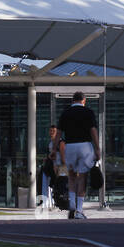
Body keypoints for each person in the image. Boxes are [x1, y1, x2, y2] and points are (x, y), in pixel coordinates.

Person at [57, 92, 100, 220]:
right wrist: (97, 148)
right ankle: (79, 210)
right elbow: (93, 131)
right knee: (82, 178)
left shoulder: (65, 113)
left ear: (72, 100)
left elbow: (59, 133)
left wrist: (54, 148)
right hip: (85, 146)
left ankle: (71, 205)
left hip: (70, 146)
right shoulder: (88, 112)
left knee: (71, 177)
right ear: (84, 100)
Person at [40, 124, 61, 208]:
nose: (52, 132)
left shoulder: (59, 142)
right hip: (51, 167)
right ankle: (47, 202)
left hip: (57, 167)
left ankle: (54, 201)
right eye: (51, 131)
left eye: (54, 131)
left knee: (55, 184)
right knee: (47, 183)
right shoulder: (50, 143)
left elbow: (57, 155)